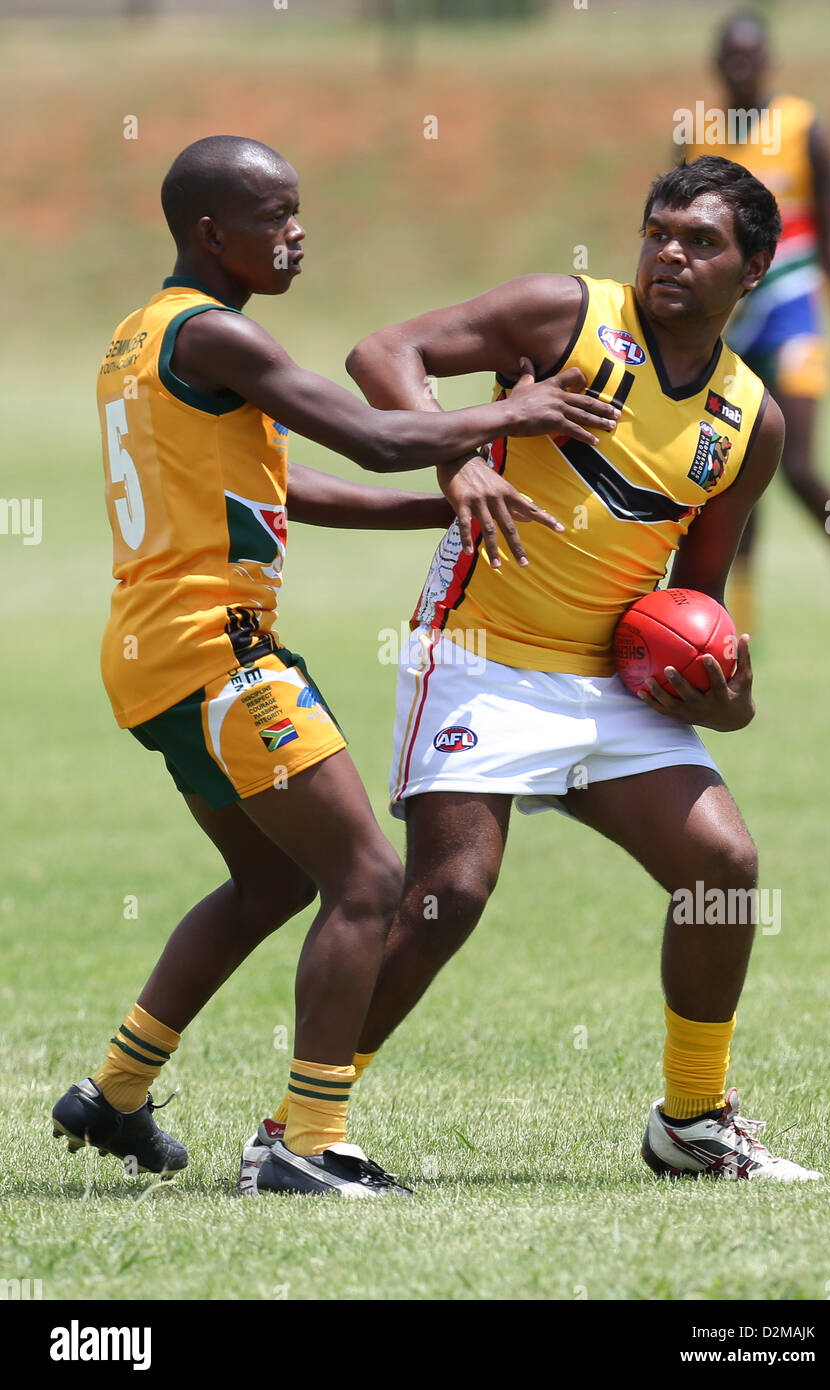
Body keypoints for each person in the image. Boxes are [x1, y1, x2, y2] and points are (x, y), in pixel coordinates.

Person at [51, 135, 618, 1199]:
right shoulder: (220, 338)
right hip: (221, 652)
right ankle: (304, 1143)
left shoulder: (141, 337)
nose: (296, 233)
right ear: (209, 233)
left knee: (271, 878)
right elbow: (367, 432)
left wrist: (443, 502)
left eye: (299, 211)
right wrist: (510, 415)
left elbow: (289, 488)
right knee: (366, 881)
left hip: (152, 655)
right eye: (273, 217)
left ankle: (114, 1092)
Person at [247, 155, 824, 1187]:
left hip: (606, 679)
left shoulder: (749, 421)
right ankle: (297, 1131)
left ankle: (692, 1120)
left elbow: (696, 600)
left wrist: (724, 692)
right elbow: (385, 350)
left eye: (700, 242)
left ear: (752, 271)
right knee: (447, 894)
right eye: (658, 232)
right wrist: (456, 452)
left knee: (723, 872)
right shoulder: (567, 315)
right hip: (479, 653)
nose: (669, 255)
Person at [685, 10, 830, 657]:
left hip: (793, 314)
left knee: (796, 466)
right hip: (730, 324)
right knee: (734, 475)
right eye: (728, 55)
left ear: (768, 61)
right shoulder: (701, 137)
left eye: (750, 55)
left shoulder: (802, 127)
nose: (740, 66)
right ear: (716, 62)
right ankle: (734, 627)